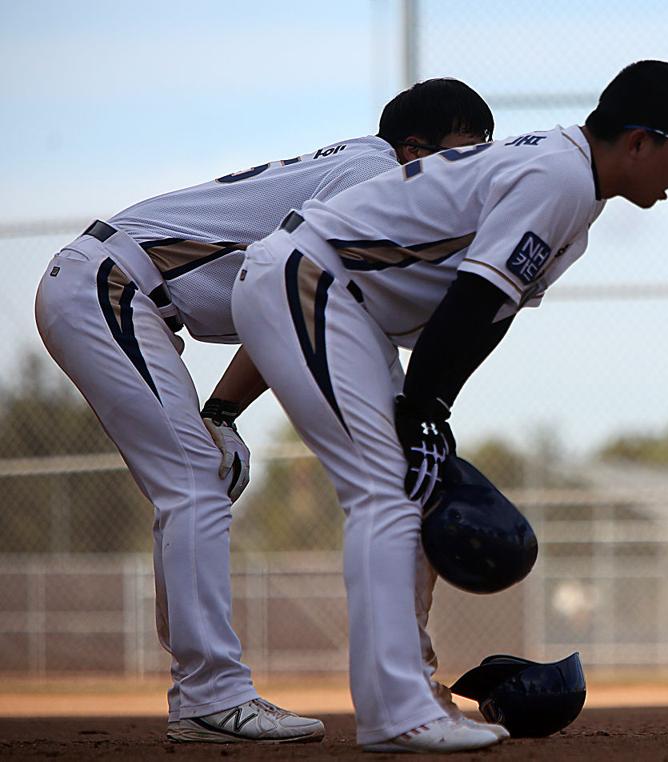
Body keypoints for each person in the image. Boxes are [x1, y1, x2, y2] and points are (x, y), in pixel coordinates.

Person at [230, 59, 668, 753]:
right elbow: (473, 301)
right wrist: (424, 406)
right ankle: (395, 712)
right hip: (309, 278)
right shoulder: (562, 177)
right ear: (639, 140)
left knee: (407, 487)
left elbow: (491, 312)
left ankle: (412, 699)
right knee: (384, 493)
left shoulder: (576, 187)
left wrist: (434, 410)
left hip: (342, 301)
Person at [33, 78, 495, 744]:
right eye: (464, 154)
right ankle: (209, 694)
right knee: (193, 478)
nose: (476, 171)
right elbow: (288, 285)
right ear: (413, 149)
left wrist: (221, 412)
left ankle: (215, 693)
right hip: (107, 285)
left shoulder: (369, 177)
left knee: (201, 475)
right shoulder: (374, 173)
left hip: (121, 292)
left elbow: (280, 304)